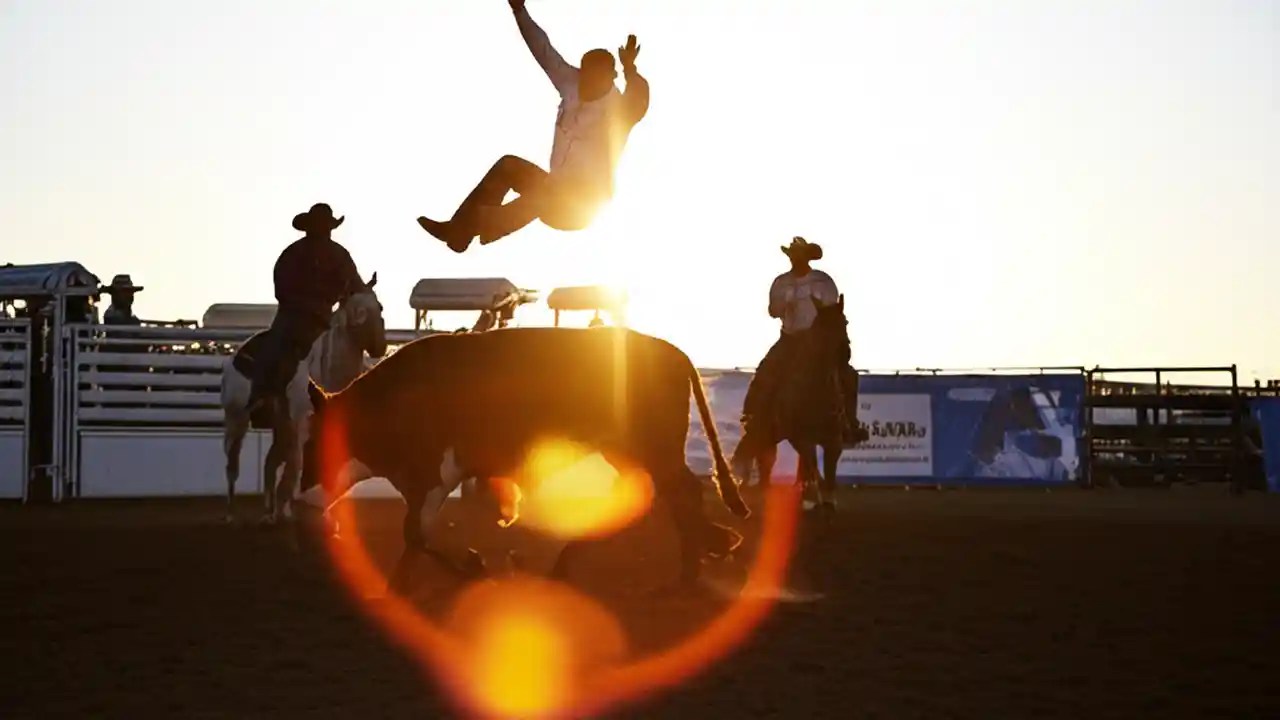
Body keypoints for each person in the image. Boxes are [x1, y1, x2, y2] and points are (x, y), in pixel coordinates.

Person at [416, 0, 651, 253]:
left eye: (593, 82)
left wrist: (630, 69)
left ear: (608, 79)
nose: (585, 86)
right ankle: (459, 232)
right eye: (584, 78)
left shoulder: (617, 111)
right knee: (509, 165)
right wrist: (519, 11)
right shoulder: (571, 82)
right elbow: (543, 50)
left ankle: (485, 223)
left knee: (546, 194)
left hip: (584, 205)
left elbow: (639, 101)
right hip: (555, 191)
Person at [732, 237, 863, 475]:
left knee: (847, 374)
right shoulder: (781, 283)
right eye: (793, 255)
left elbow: (832, 312)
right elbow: (773, 311)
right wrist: (785, 303)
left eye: (799, 255)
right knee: (766, 371)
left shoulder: (822, 281)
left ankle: (849, 422)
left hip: (819, 341)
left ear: (807, 257)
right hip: (790, 338)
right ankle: (754, 417)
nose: (796, 259)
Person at [245, 203, 367, 411]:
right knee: (276, 347)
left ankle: (262, 396)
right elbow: (282, 288)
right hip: (304, 316)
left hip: (311, 317)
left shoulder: (309, 253)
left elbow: (356, 286)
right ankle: (263, 397)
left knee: (276, 347)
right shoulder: (303, 253)